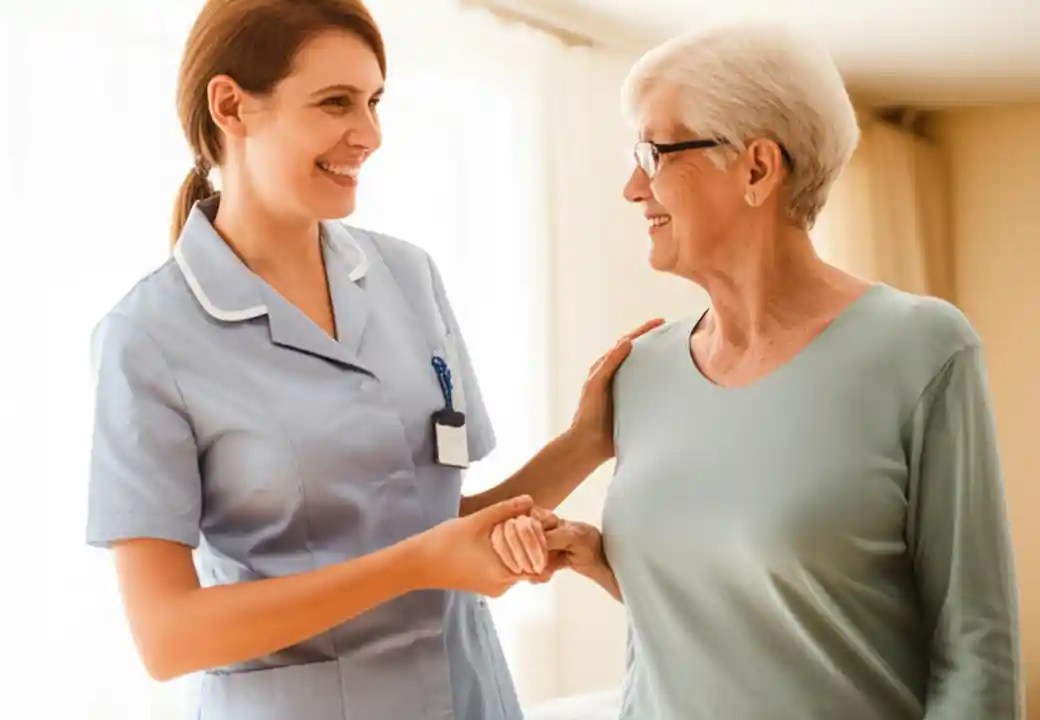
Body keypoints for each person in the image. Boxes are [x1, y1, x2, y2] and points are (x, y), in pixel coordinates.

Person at [84, 1, 658, 718]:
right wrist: (416, 565)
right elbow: (168, 636)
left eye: (375, 101)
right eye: (336, 104)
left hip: (468, 696)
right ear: (231, 105)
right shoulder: (149, 338)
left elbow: (443, 522)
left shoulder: (407, 277)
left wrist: (588, 440)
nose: (370, 135)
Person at [497, 21, 1023, 720]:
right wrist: (608, 560)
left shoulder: (920, 348)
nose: (631, 187)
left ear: (756, 168)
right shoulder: (641, 371)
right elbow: (741, 616)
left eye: (654, 153)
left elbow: (976, 647)